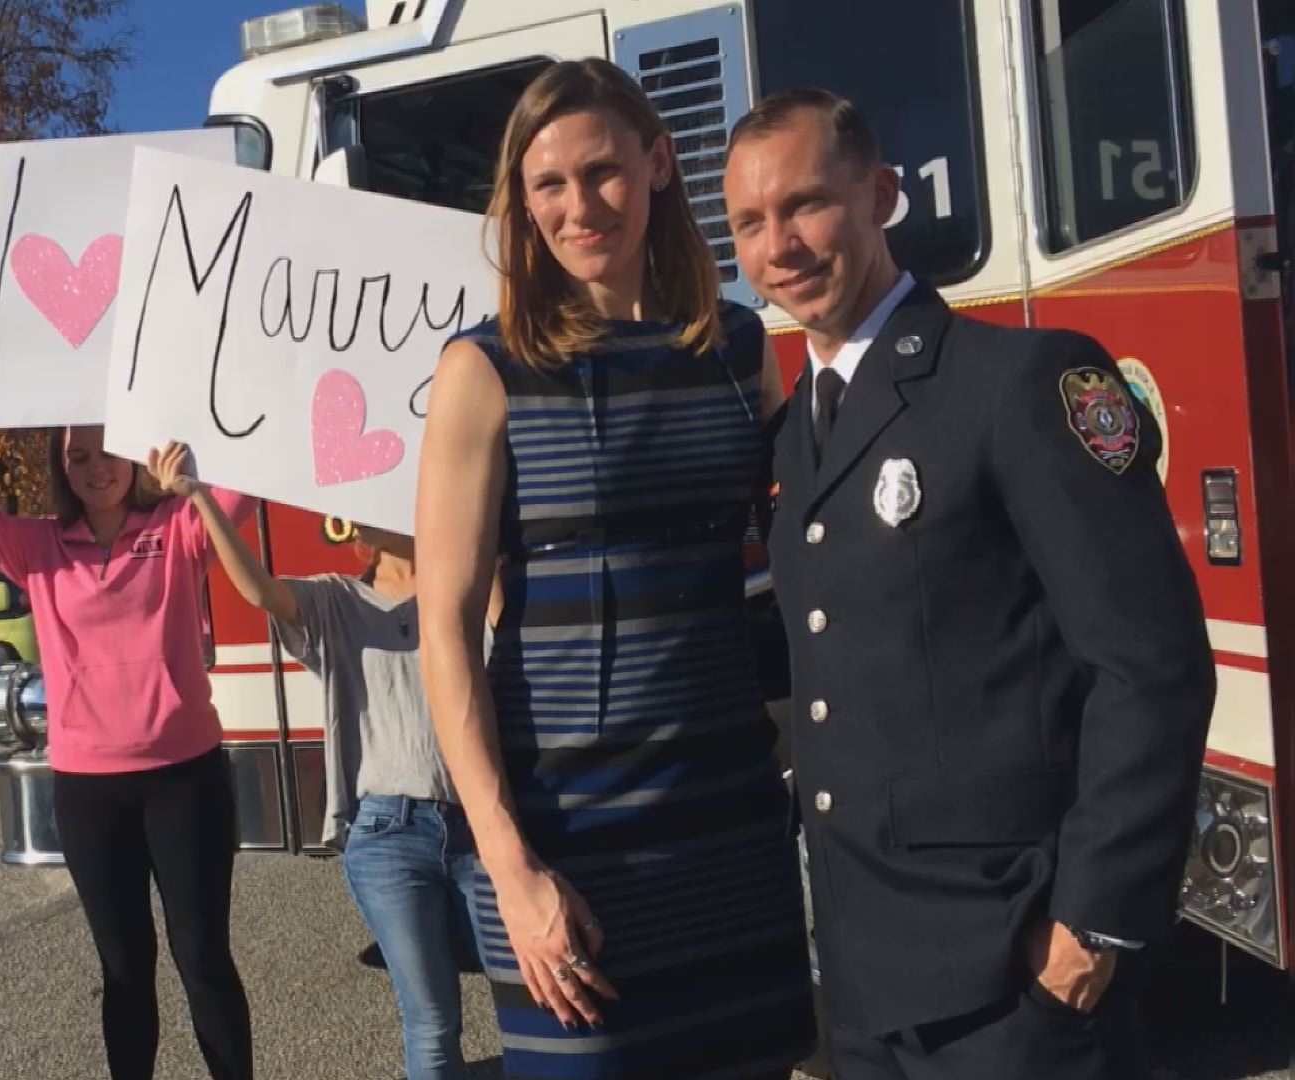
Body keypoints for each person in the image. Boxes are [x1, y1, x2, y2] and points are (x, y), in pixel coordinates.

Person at [722, 87, 1216, 1079]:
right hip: (863, 991)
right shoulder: (794, 445)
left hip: (1011, 982)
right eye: (749, 222)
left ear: (882, 195)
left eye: (808, 203)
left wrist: (1092, 932)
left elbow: (1150, 665)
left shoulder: (1019, 383)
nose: (781, 245)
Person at [414, 58, 816, 1080]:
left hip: (729, 822)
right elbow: (447, 633)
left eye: (602, 172)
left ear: (660, 164)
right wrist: (510, 871)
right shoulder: (484, 370)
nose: (578, 205)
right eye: (547, 184)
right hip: (567, 844)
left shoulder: (739, 348)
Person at [0, 329, 256, 1080]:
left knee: (203, 959)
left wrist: (229, 373)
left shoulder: (179, 529)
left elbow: (243, 488)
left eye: (107, 451)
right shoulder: (38, 547)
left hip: (187, 780)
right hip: (89, 791)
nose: (94, 468)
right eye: (76, 457)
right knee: (124, 970)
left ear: (136, 452)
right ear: (61, 467)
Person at [146, 445, 492, 1080]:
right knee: (433, 1022)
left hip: (484, 828)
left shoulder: (467, 586)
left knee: (534, 995)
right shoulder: (336, 601)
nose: (350, 513)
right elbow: (255, 586)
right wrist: (199, 498)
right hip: (388, 833)